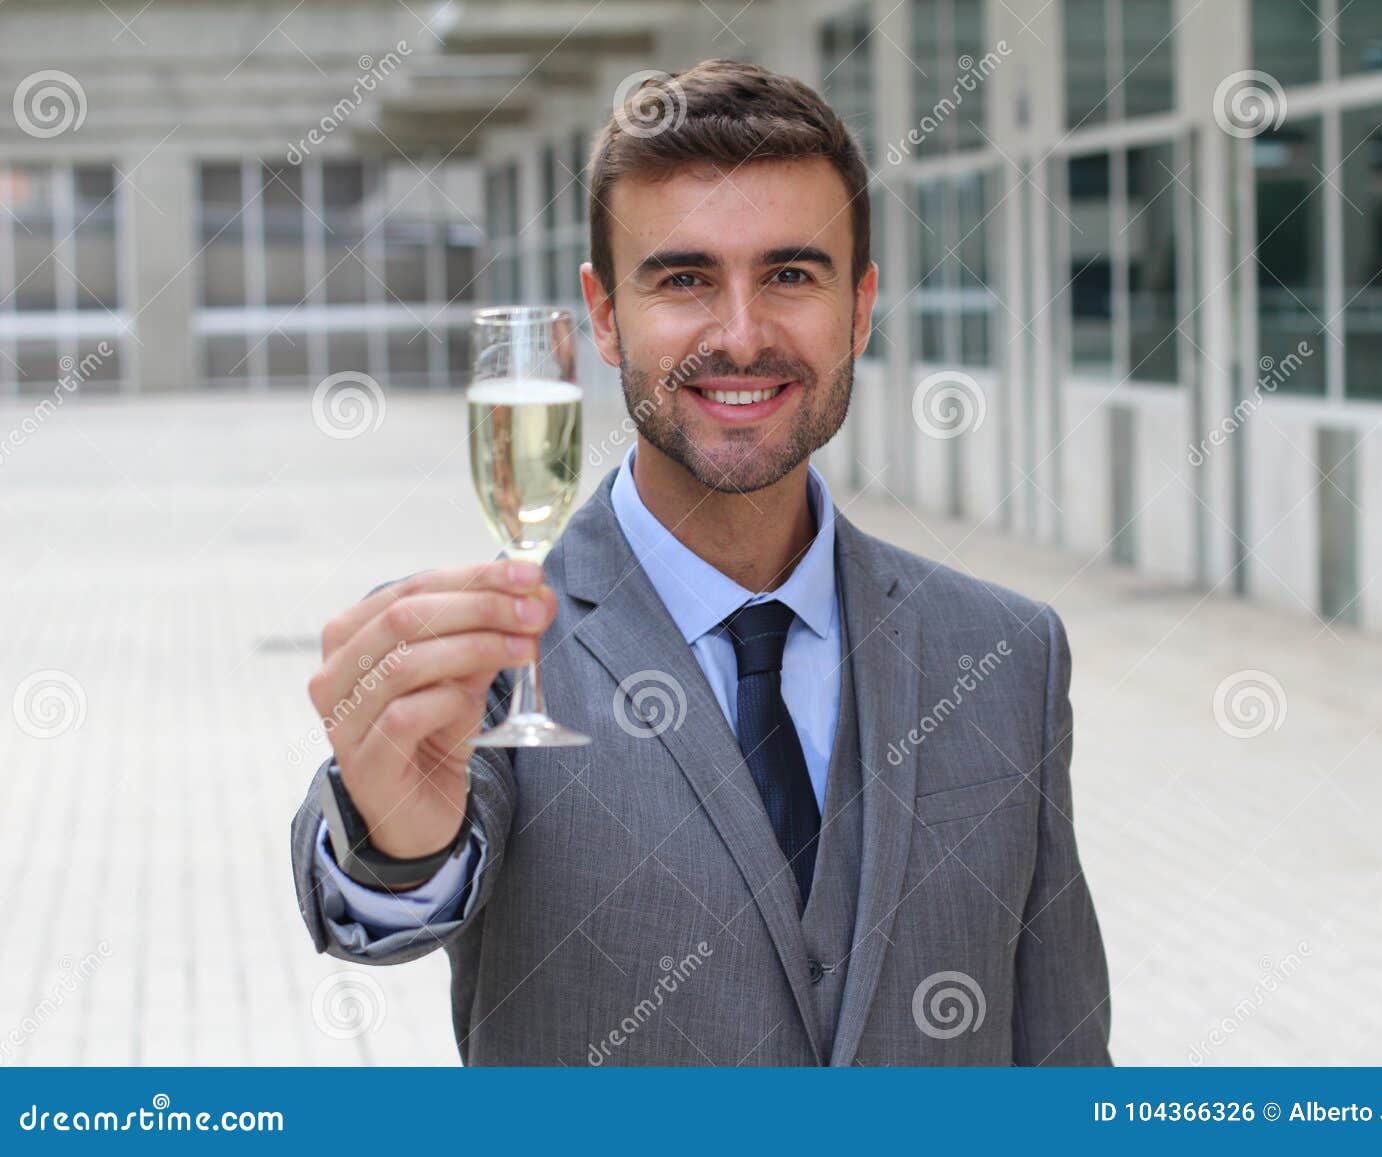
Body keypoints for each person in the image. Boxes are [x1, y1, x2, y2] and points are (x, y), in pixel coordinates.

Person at [290, 58, 1111, 1066]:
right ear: (602, 316)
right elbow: (375, 907)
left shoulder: (1004, 654)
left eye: (790, 275)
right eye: (683, 279)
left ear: (859, 308)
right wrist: (394, 847)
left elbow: (1062, 1051)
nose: (740, 334)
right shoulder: (487, 654)